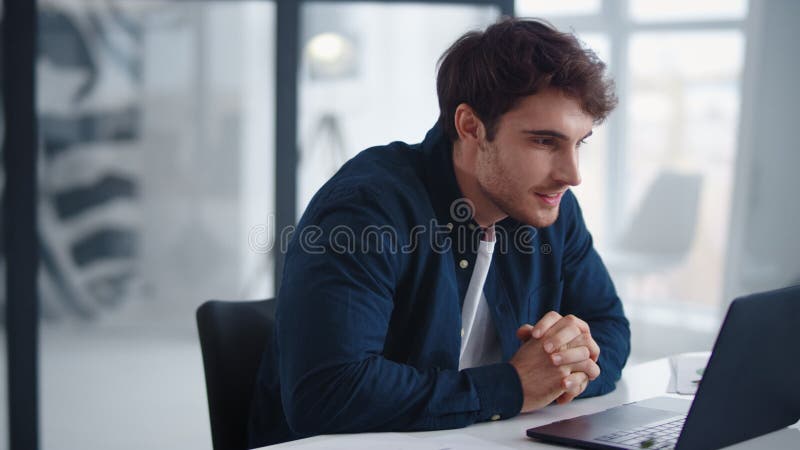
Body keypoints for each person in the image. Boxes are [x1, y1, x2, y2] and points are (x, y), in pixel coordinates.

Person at [248, 17, 630, 447]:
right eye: (544, 142)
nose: (571, 175)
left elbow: (609, 325)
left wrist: (565, 370)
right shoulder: (365, 210)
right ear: (470, 126)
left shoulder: (550, 204)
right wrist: (515, 387)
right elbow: (328, 393)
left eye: (580, 142)